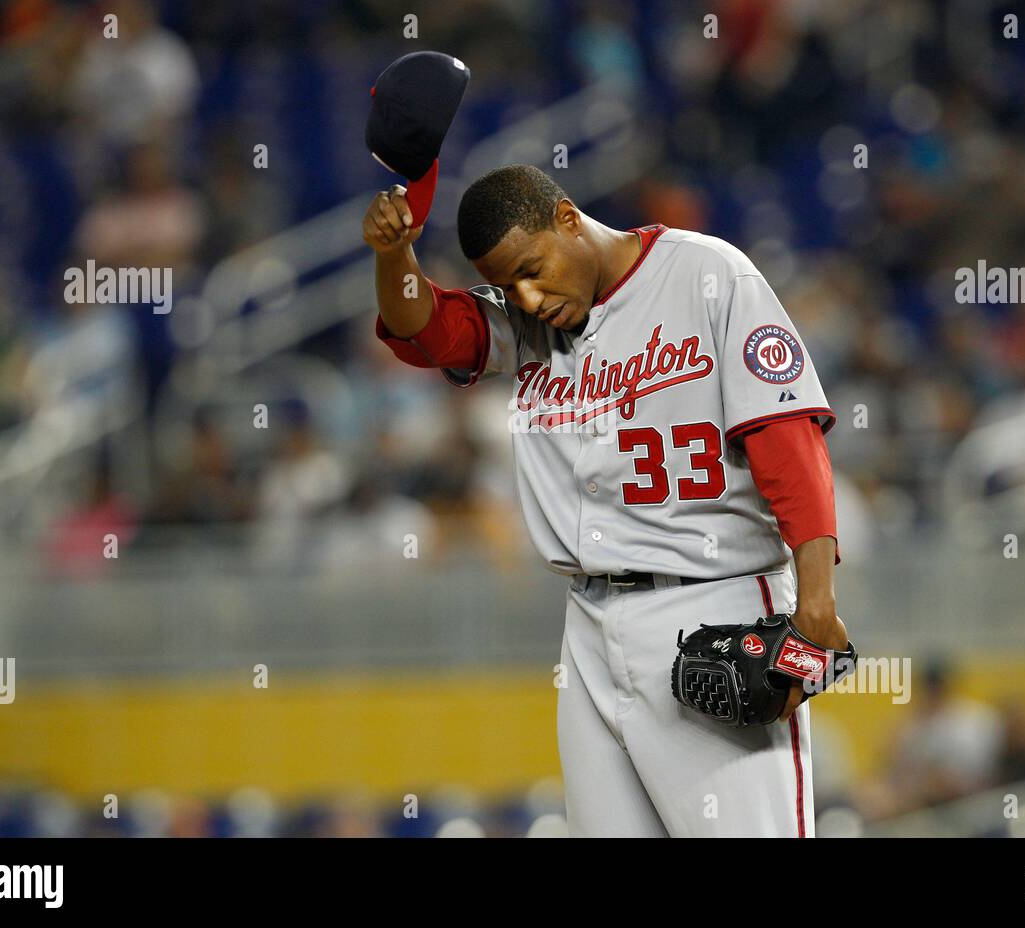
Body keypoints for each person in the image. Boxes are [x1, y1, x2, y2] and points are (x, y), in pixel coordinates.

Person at [364, 164, 849, 837]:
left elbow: (785, 437)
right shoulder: (531, 319)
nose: (528, 297)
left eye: (533, 269)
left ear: (567, 218)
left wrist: (817, 602)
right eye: (510, 285)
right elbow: (425, 329)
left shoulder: (707, 274)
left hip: (714, 603)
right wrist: (395, 255)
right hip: (589, 625)